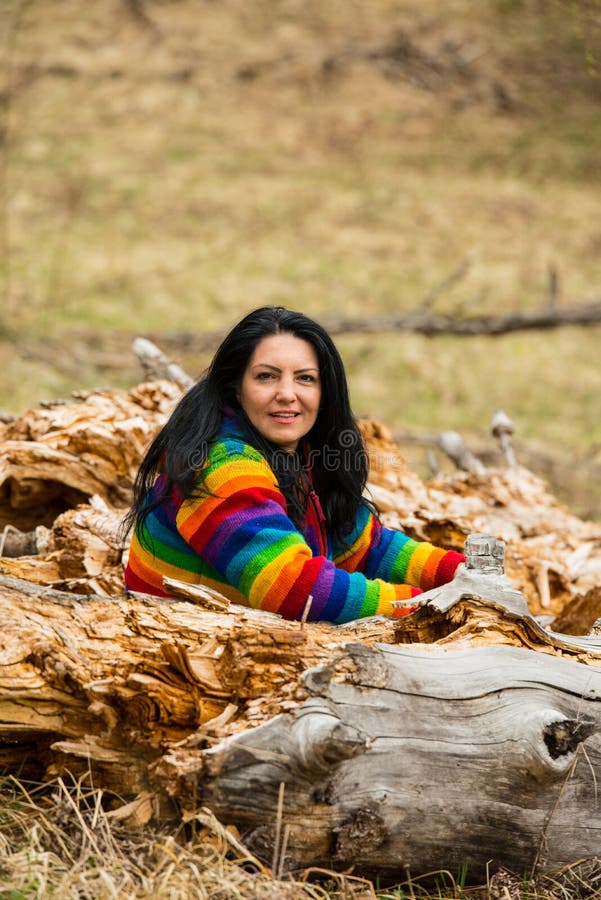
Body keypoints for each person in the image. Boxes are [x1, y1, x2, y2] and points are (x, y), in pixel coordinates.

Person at [123, 306, 464, 623]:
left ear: (325, 391)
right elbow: (295, 590)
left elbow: (367, 548)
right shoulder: (224, 466)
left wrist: (460, 574)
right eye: (266, 377)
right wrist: (423, 606)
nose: (287, 393)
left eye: (305, 378)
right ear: (236, 388)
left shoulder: (297, 455)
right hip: (184, 660)